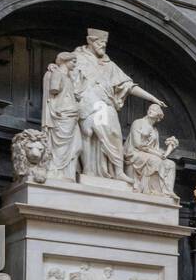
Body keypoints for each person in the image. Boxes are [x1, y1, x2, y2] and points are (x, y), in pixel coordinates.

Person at [72, 28, 165, 181]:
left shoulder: (109, 65)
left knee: (114, 135)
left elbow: (128, 85)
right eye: (100, 43)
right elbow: (64, 72)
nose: (103, 46)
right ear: (91, 41)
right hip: (87, 102)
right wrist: (55, 68)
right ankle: (88, 169)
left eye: (105, 44)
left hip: (105, 104)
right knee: (88, 133)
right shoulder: (77, 58)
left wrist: (152, 98)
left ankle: (118, 172)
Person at [41, 51, 82, 180]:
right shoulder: (57, 74)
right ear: (65, 60)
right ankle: (57, 170)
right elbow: (54, 90)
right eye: (73, 61)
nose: (75, 65)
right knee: (61, 147)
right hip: (63, 115)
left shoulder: (67, 77)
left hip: (71, 116)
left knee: (77, 146)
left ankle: (67, 173)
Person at [125, 103, 178, 197]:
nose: (151, 111)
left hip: (149, 153)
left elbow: (155, 149)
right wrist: (156, 154)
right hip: (135, 152)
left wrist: (169, 149)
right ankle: (152, 191)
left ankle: (167, 192)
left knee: (171, 164)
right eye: (150, 109)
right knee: (155, 161)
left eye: (154, 110)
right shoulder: (138, 123)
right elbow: (137, 144)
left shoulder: (155, 130)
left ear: (158, 116)